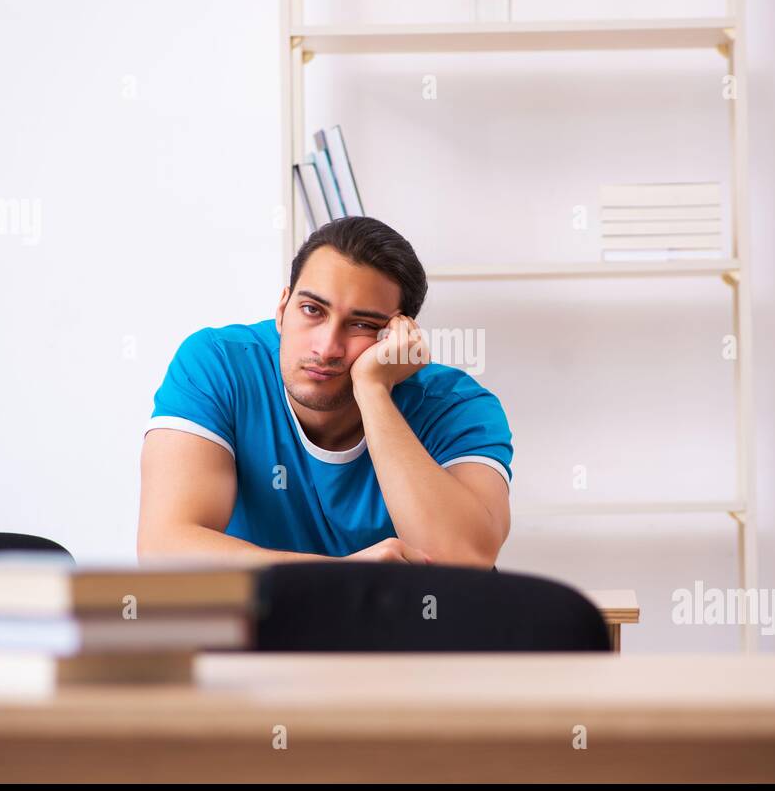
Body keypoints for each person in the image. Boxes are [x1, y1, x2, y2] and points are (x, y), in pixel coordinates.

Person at [137, 216, 512, 569]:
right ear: (283, 308)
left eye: (362, 324)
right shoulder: (218, 364)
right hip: (264, 630)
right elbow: (164, 549)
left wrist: (374, 389)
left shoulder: (457, 406)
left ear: (399, 336)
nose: (327, 347)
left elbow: (464, 559)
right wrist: (342, 578)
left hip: (406, 634)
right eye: (312, 310)